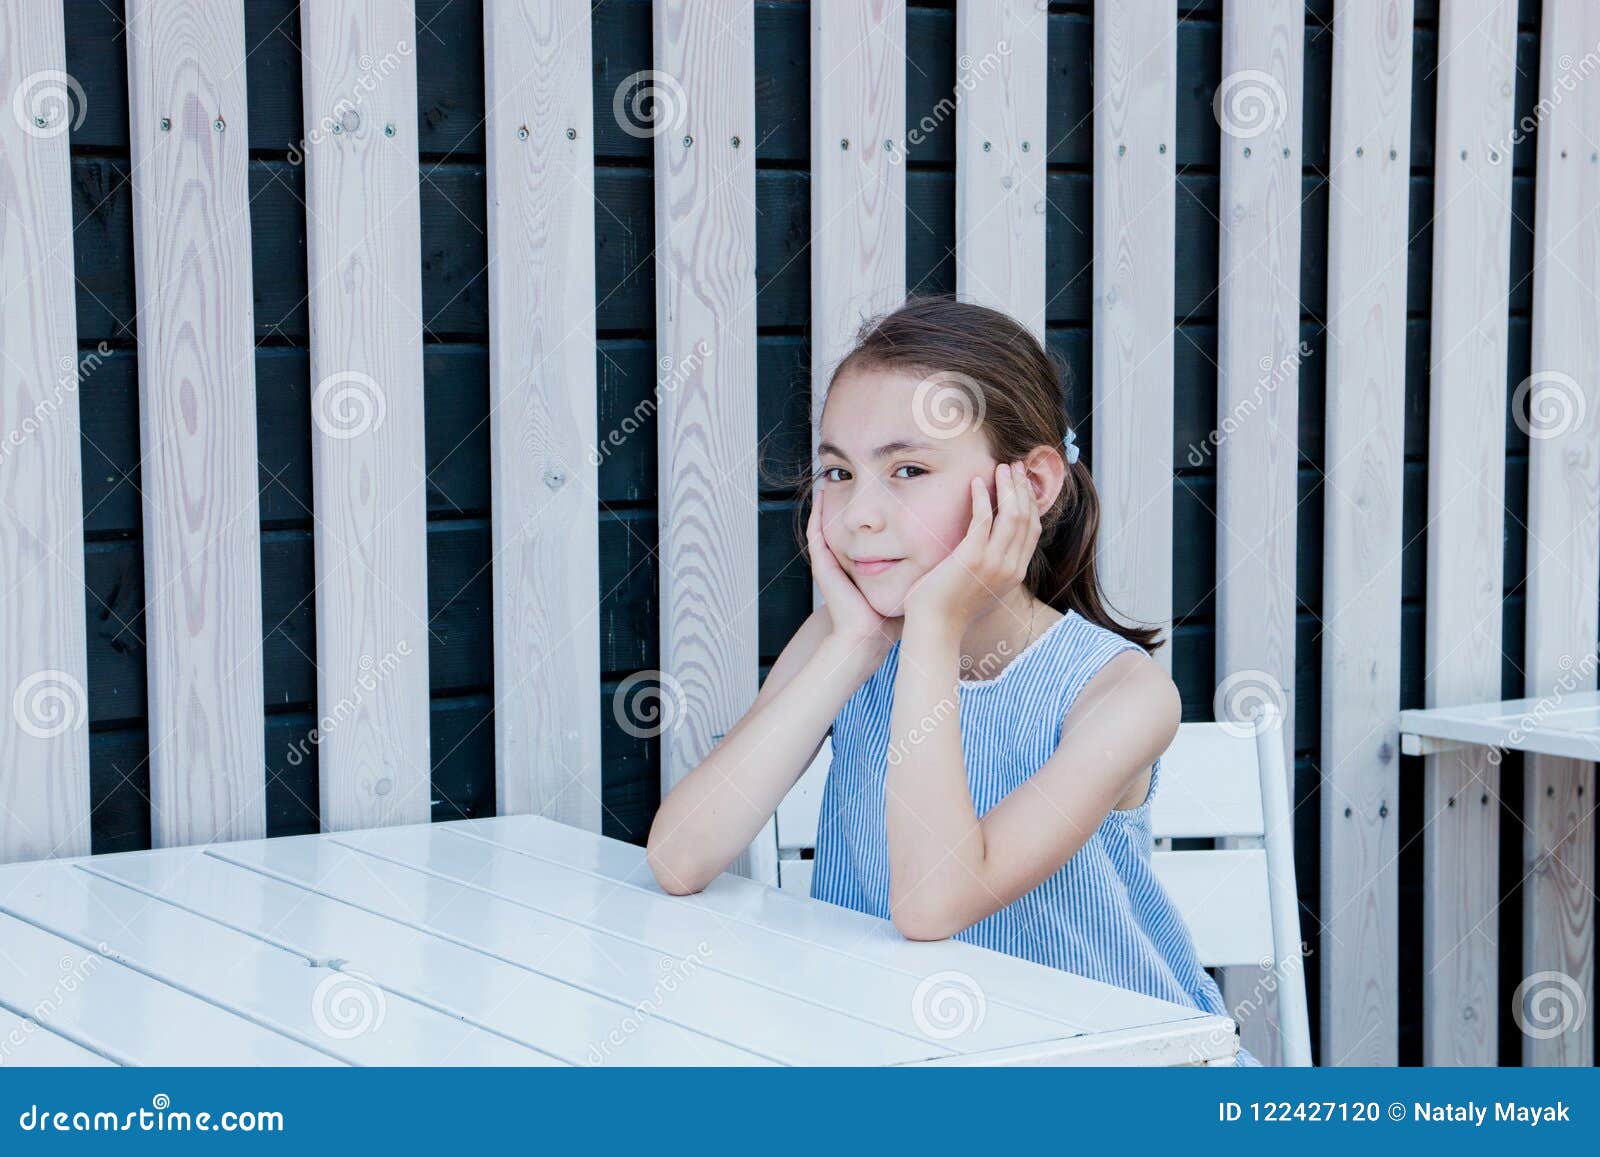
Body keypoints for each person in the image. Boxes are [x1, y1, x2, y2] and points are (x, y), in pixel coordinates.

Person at [647, 294, 1259, 1066]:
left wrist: (933, 627)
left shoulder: (1121, 695)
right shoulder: (847, 643)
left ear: (1031, 485)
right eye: (837, 470)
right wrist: (854, 646)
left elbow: (931, 901)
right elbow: (679, 856)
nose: (859, 512)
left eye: (908, 468)